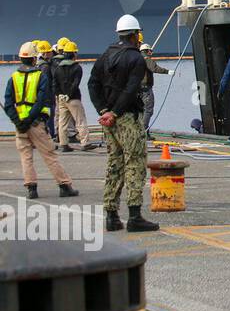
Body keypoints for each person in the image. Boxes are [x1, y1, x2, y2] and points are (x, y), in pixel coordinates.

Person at [88, 14, 157, 233]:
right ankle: (135, 216)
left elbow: (92, 84)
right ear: (136, 35)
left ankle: (111, 215)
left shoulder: (106, 55)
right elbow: (131, 89)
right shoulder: (136, 58)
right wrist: (115, 112)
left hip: (109, 122)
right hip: (126, 118)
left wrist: (103, 110)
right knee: (135, 163)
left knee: (114, 165)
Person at [4, 42, 78, 200]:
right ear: (33, 59)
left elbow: (9, 103)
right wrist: (30, 119)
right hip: (36, 123)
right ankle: (64, 185)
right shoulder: (40, 76)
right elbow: (41, 101)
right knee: (49, 155)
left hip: (20, 126)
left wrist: (18, 121)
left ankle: (31, 188)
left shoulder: (13, 78)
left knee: (26, 157)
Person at [52, 39, 95, 152]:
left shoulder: (58, 67)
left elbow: (54, 83)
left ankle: (63, 144)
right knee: (80, 120)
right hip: (73, 98)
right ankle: (85, 143)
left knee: (62, 122)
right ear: (74, 54)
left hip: (61, 99)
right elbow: (76, 83)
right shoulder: (77, 68)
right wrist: (69, 95)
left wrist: (59, 94)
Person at [139, 42, 170, 138]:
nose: (151, 53)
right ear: (147, 51)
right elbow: (154, 68)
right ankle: (143, 133)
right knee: (148, 110)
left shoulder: (135, 59)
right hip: (145, 90)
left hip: (136, 90)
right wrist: (168, 72)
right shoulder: (146, 59)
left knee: (141, 111)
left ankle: (141, 132)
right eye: (150, 51)